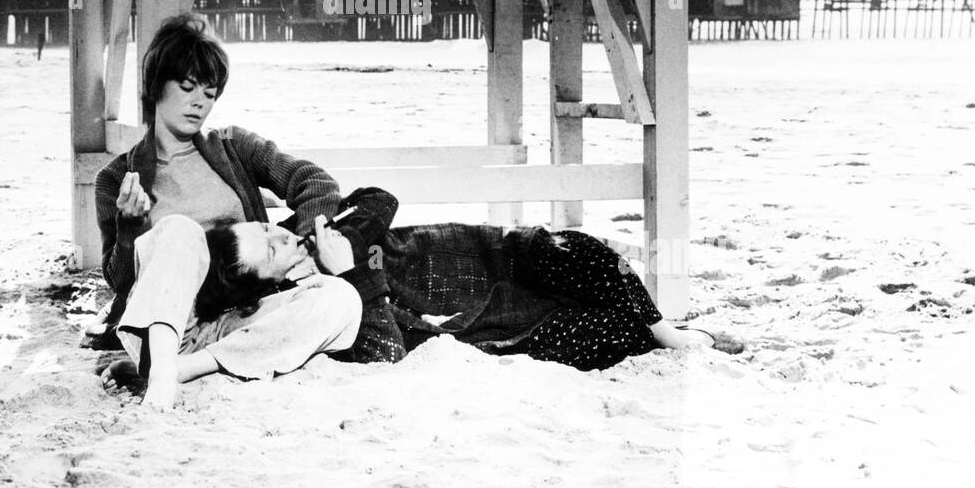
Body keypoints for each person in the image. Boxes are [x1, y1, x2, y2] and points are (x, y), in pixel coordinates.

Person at [94, 14, 375, 410]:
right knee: (180, 231)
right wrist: (129, 228)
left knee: (342, 297)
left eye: (209, 94)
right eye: (188, 87)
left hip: (244, 317)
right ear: (156, 85)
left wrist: (289, 247)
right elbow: (119, 280)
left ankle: (186, 368)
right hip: (170, 325)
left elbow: (317, 183)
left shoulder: (232, 147)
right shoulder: (118, 177)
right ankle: (160, 372)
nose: (199, 103)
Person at [199, 187, 745, 372]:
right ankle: (656, 333)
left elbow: (380, 200)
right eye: (271, 249)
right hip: (506, 328)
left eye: (266, 229)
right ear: (269, 284)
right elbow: (385, 353)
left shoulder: (318, 232)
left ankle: (667, 328)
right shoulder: (323, 302)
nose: (282, 238)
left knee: (574, 251)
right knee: (609, 342)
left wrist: (327, 230)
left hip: (505, 257)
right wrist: (352, 275)